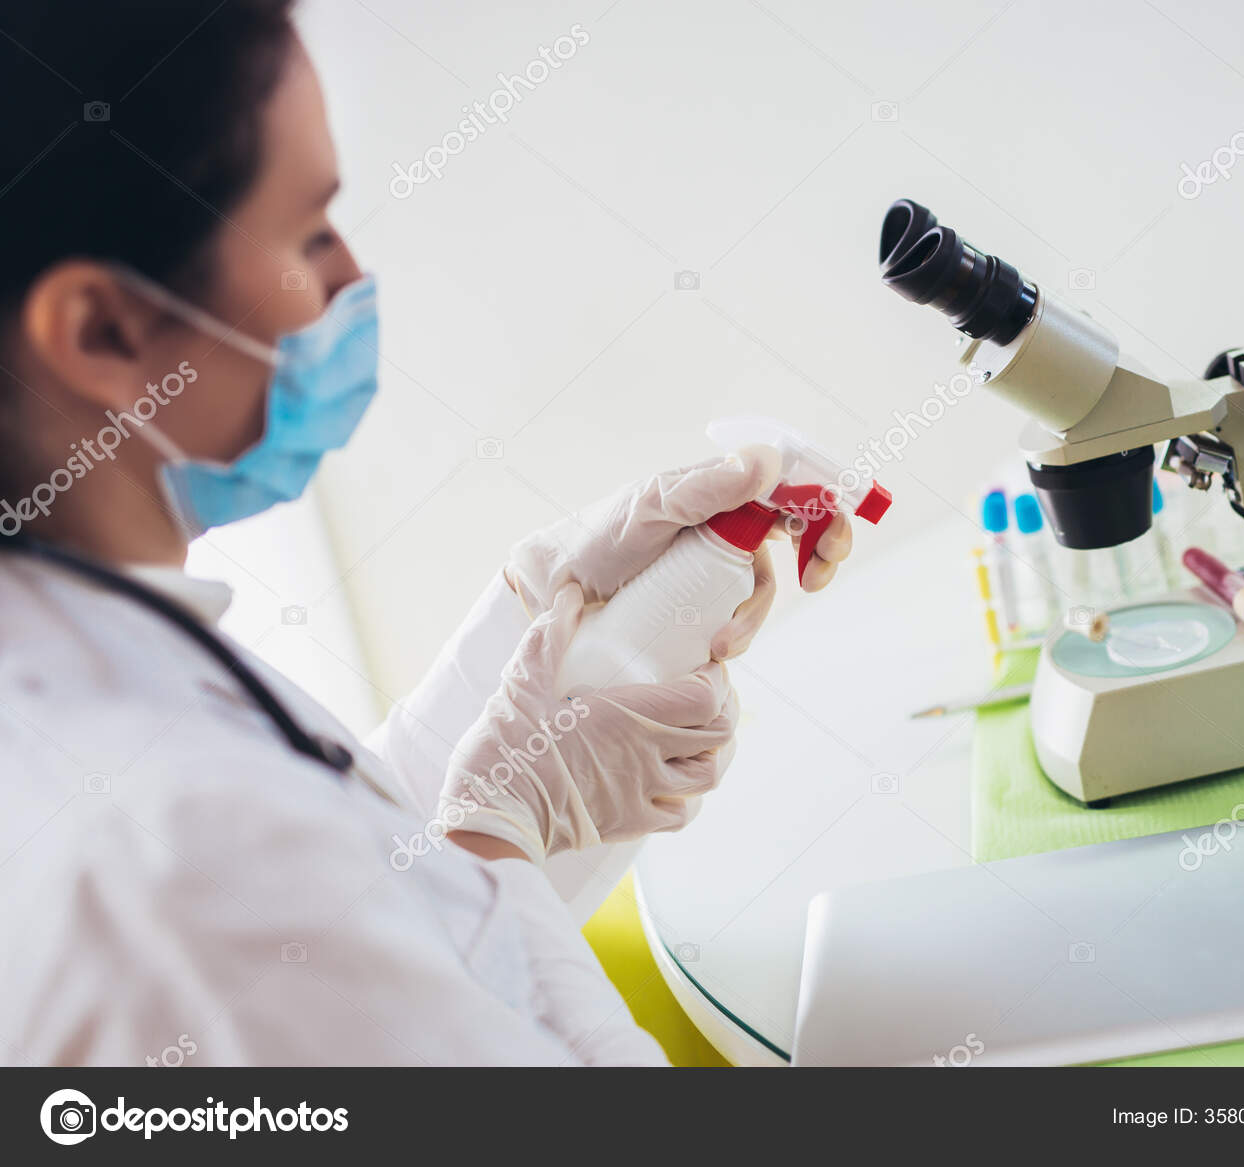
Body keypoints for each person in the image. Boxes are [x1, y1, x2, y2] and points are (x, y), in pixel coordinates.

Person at [0, 1, 850, 1065]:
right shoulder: (165, 866)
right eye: (308, 233)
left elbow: (360, 878)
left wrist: (543, 611)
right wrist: (507, 825)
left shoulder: (94, 629)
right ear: (103, 331)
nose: (351, 279)